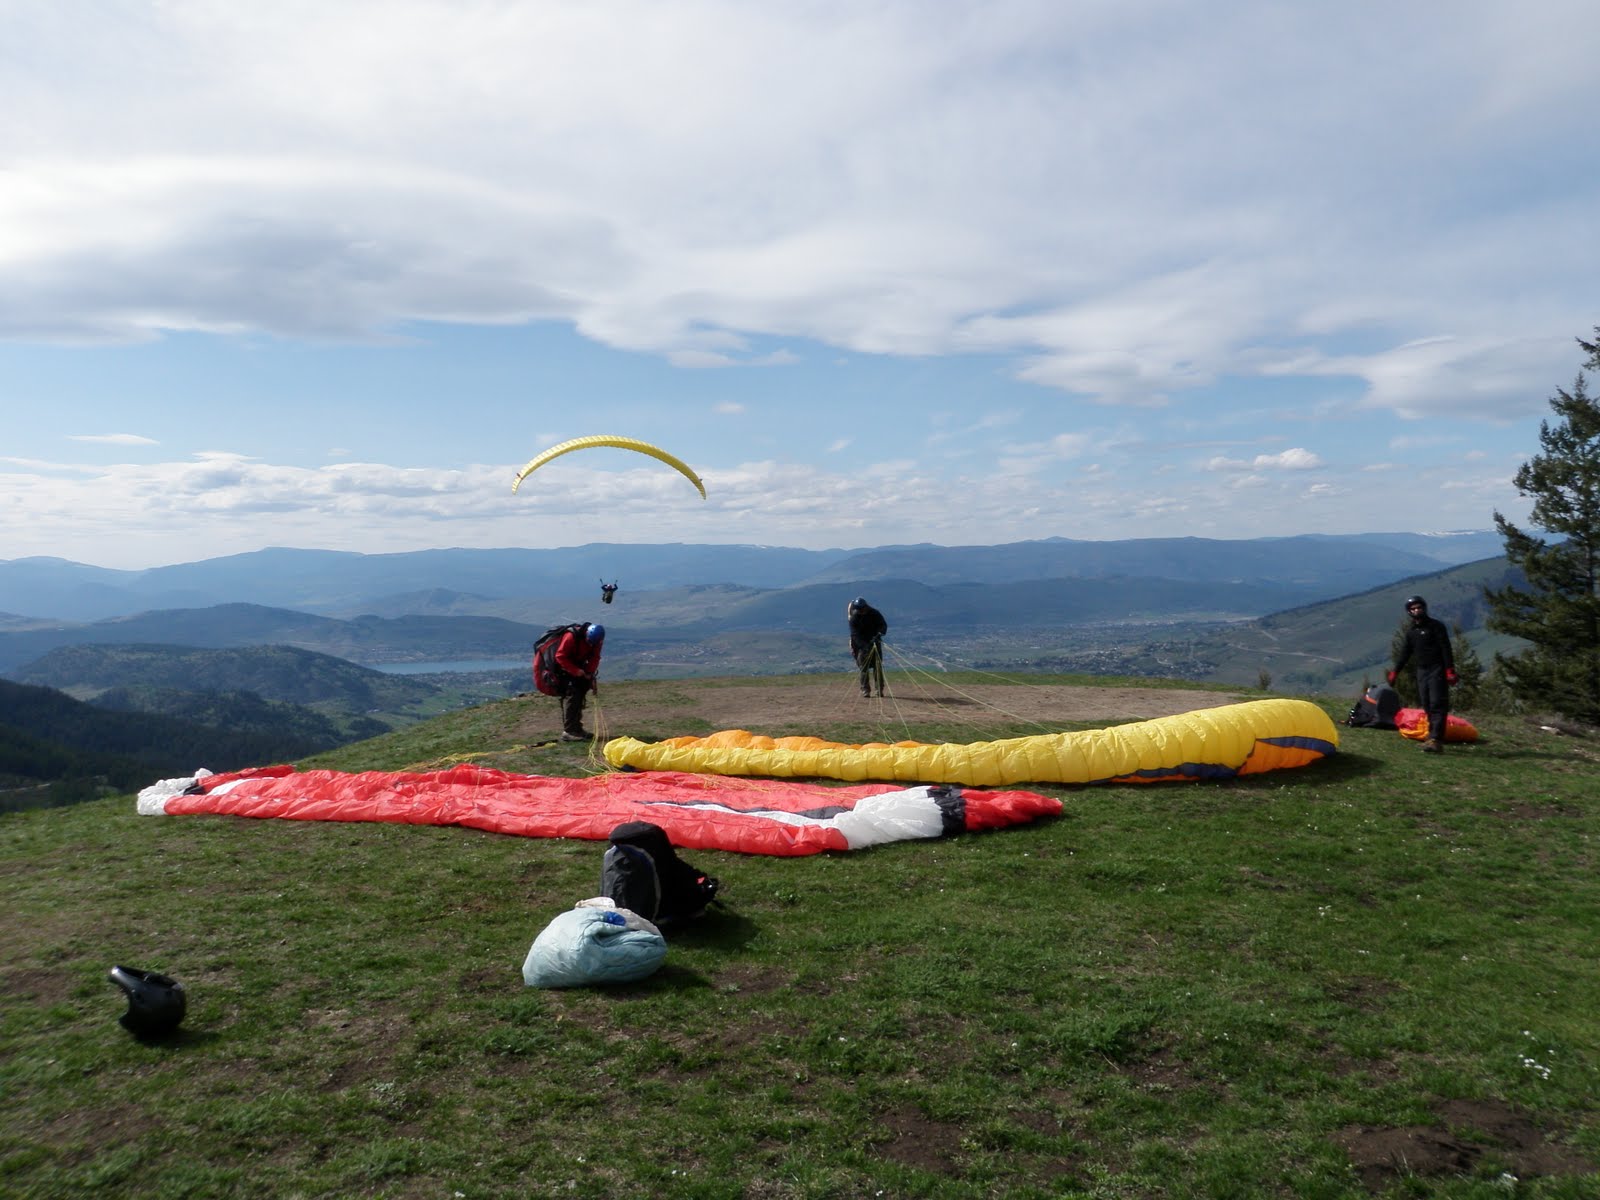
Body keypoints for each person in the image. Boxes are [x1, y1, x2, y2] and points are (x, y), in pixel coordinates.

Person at [1387, 595, 1457, 753]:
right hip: (1422, 670)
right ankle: (1432, 736)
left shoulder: (1436, 626)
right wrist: (1395, 671)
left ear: (1424, 608)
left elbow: (1446, 648)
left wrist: (1449, 670)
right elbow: (1405, 652)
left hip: (1437, 668)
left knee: (1437, 703)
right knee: (1426, 704)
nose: (1417, 610)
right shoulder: (1412, 632)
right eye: (1413, 609)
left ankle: (1436, 740)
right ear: (1409, 612)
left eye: (1419, 607)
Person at [554, 622, 605, 741]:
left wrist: (589, 674)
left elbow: (595, 657)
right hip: (565, 669)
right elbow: (560, 656)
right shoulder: (571, 637)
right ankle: (569, 731)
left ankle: (577, 729)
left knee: (580, 695)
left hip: (580, 668)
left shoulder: (596, 641)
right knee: (573, 696)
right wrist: (575, 671)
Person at [846, 597, 888, 697]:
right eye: (859, 610)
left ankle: (879, 689)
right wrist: (864, 646)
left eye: (862, 609)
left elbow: (883, 625)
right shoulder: (854, 618)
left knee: (877, 667)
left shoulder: (874, 613)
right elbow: (855, 635)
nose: (861, 611)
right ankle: (865, 690)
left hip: (875, 642)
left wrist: (879, 634)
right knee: (863, 668)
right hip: (861, 646)